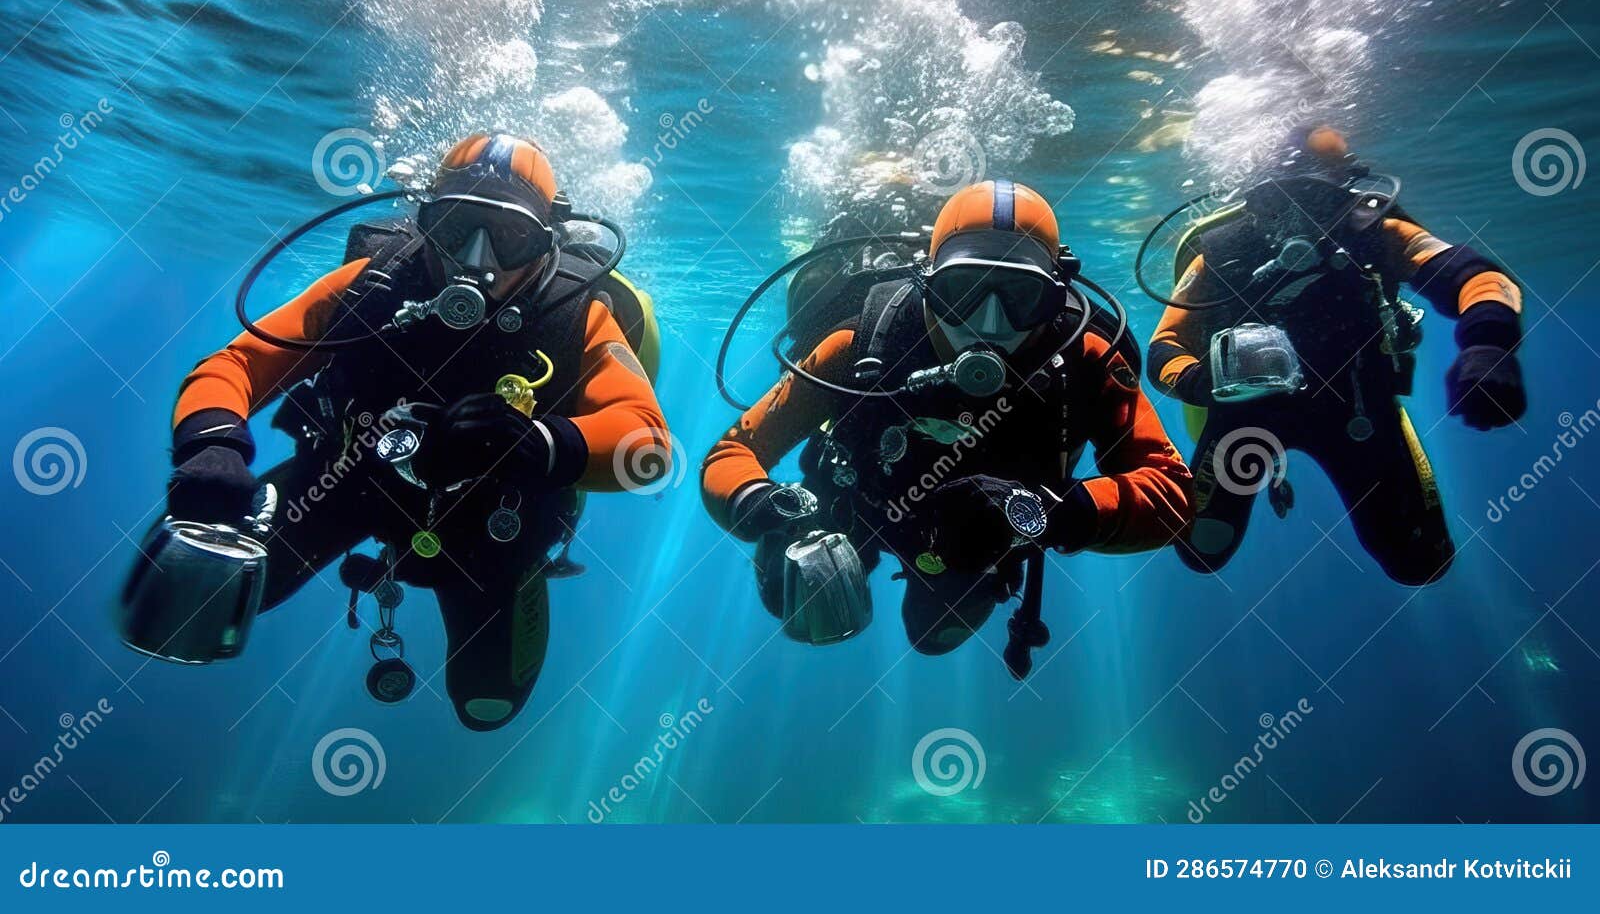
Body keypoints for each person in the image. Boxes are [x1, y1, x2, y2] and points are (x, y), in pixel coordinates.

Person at [157, 132, 669, 730]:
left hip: (496, 527)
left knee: (488, 703)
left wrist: (535, 444)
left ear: (544, 241)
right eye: (454, 227)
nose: (477, 259)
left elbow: (648, 444)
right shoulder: (371, 286)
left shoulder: (575, 313)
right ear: (424, 221)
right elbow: (236, 365)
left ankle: (523, 580)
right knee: (181, 598)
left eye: (510, 238)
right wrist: (212, 447)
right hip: (348, 485)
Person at [702, 179, 1193, 673]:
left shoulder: (1085, 357)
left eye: (1022, 297)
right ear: (928, 284)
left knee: (935, 635)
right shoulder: (861, 342)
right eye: (964, 293)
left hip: (981, 542)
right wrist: (760, 506)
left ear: (1056, 296)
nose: (992, 324)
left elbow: (1172, 491)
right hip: (853, 509)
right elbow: (736, 451)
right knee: (794, 602)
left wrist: (1056, 515)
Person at [1145, 126, 1526, 585]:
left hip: (1358, 410)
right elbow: (1165, 347)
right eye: (1283, 201)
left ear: (1347, 194)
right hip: (1246, 417)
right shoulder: (1222, 253)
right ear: (1257, 200)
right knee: (1201, 551)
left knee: (1422, 561)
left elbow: (1476, 278)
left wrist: (1488, 344)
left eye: (1319, 201)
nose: (1300, 220)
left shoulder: (1380, 235)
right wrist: (1201, 381)